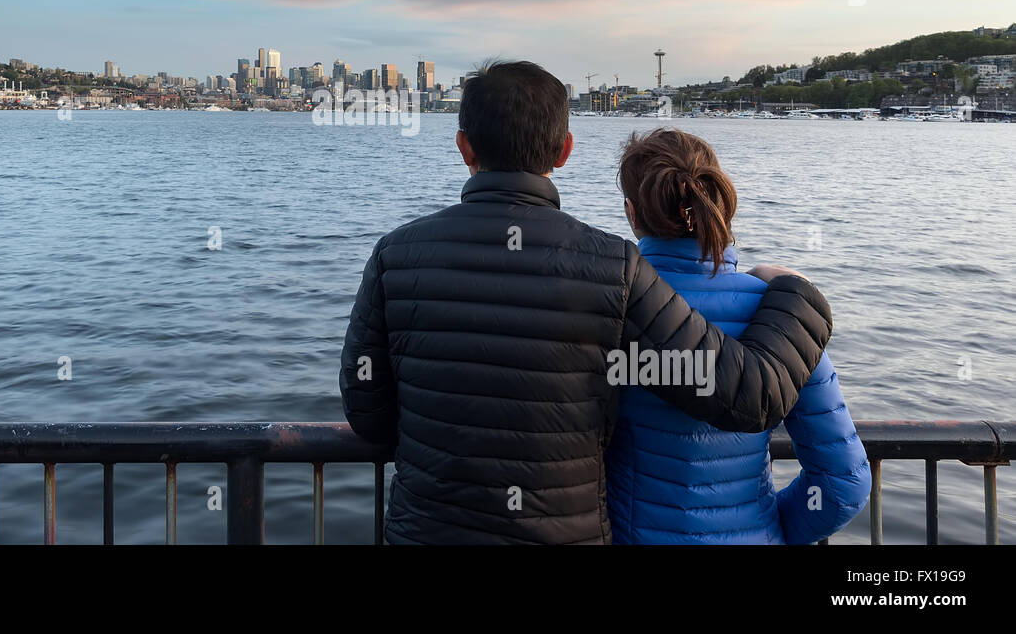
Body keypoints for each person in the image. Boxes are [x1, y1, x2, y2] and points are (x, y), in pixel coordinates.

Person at [339, 61, 833, 544]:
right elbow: (749, 395)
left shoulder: (394, 255)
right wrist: (797, 294)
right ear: (564, 150)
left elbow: (369, 414)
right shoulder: (613, 267)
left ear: (463, 146)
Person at [606, 127, 870, 544]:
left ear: (632, 213)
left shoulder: (605, 307)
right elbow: (844, 484)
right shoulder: (784, 316)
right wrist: (768, 529)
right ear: (718, 203)